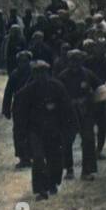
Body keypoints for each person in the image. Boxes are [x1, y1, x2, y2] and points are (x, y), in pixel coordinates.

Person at [14, 61, 75, 200]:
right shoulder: (27, 91)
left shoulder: (58, 88)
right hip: (36, 131)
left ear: (48, 73)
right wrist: (21, 136)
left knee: (55, 159)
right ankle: (41, 189)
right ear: (33, 74)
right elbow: (21, 114)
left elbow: (67, 110)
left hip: (54, 130)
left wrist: (69, 129)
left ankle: (52, 183)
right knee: (38, 158)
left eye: (43, 72)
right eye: (37, 72)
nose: (41, 76)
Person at [57, 49, 102, 180]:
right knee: (67, 141)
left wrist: (90, 101)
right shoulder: (63, 76)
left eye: (77, 60)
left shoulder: (88, 75)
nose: (74, 63)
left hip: (85, 113)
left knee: (88, 140)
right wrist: (68, 103)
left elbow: (100, 89)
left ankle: (87, 171)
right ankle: (69, 169)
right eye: (72, 60)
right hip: (69, 114)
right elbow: (58, 94)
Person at [3, 51, 34, 168]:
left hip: (32, 106)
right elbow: (8, 92)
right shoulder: (14, 75)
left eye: (25, 61)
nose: (23, 63)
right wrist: (6, 108)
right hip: (19, 106)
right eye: (21, 61)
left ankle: (32, 155)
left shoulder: (34, 73)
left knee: (32, 131)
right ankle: (23, 157)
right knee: (19, 132)